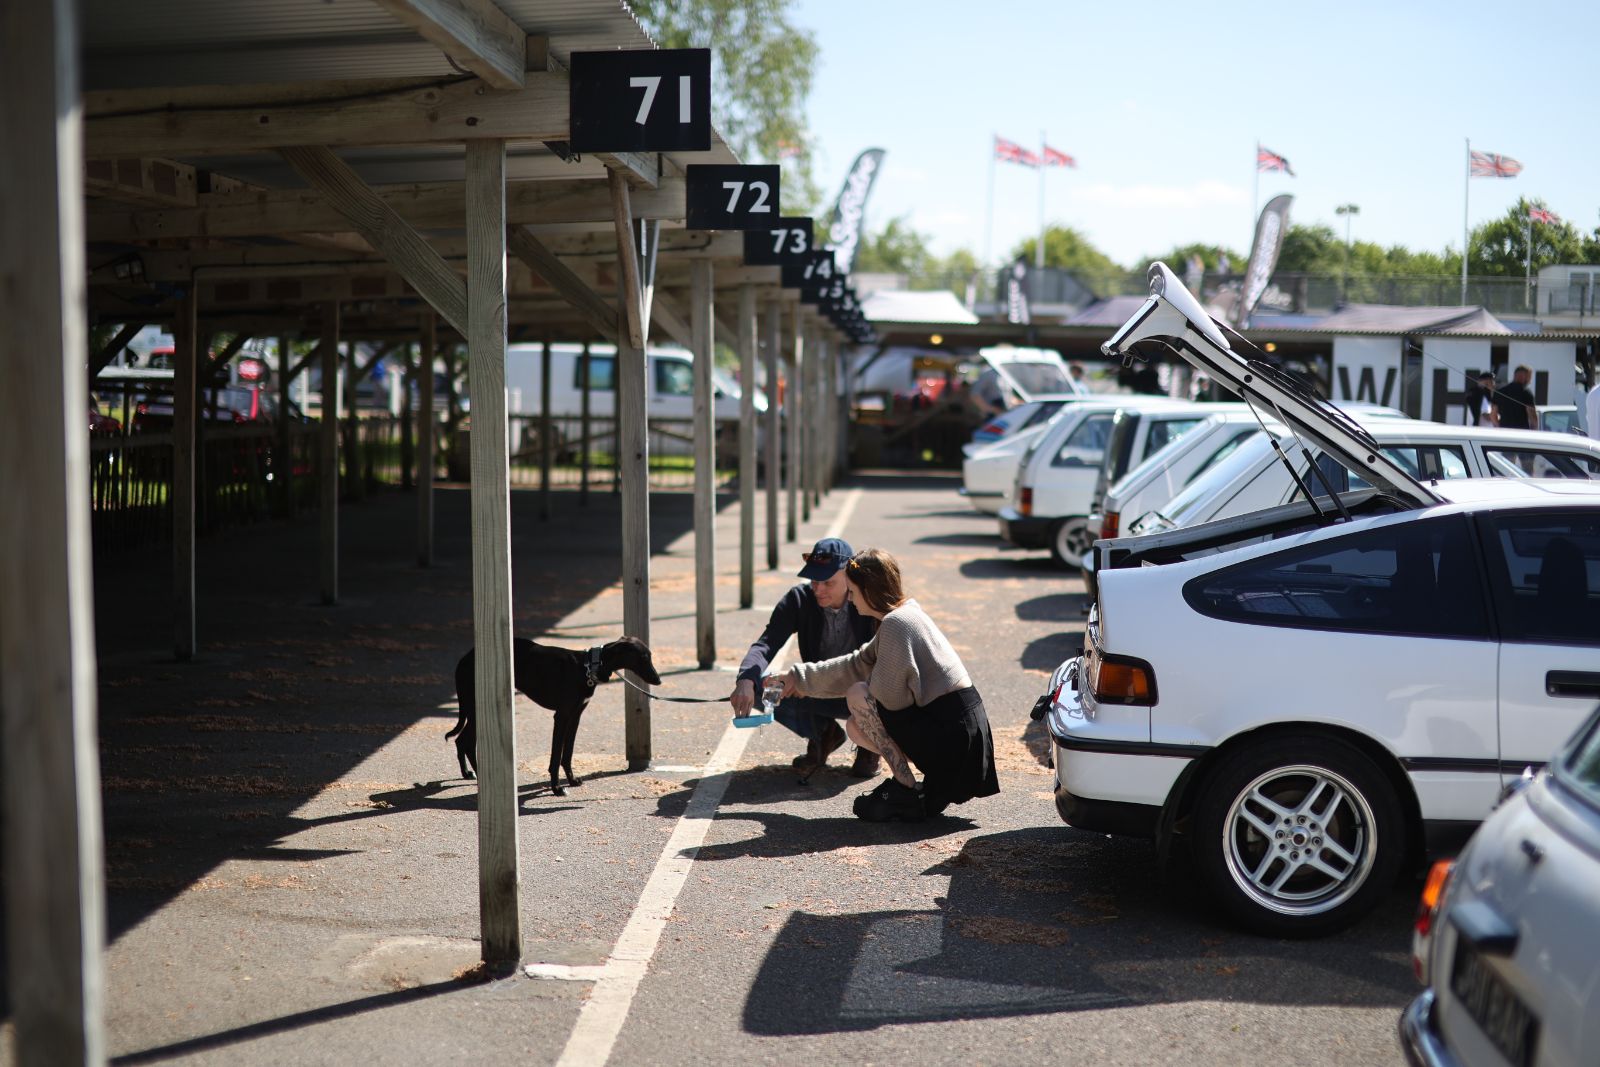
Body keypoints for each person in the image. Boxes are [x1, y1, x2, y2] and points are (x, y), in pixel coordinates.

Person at [780, 548, 1000, 822]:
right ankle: (910, 789)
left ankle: (906, 788)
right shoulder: (903, 613)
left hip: (955, 739)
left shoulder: (897, 623)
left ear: (868, 590)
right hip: (961, 733)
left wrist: (862, 682)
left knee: (858, 696)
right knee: (855, 722)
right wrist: (797, 679)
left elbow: (890, 700)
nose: (849, 598)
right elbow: (857, 664)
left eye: (852, 591)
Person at [731, 537, 879, 777]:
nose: (818, 589)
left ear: (849, 577)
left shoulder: (869, 602)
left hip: (862, 689)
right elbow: (766, 644)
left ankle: (871, 745)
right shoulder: (799, 600)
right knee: (760, 685)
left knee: (881, 689)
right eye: (814, 580)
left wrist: (805, 679)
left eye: (828, 582)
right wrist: (745, 681)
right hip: (817, 686)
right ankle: (823, 734)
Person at [1494, 365, 1537, 431]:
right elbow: (1532, 416)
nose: (1529, 381)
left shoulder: (1500, 391)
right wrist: (1534, 431)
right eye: (1529, 377)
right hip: (1521, 433)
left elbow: (1493, 414)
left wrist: (1499, 427)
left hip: (1504, 432)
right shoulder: (1526, 393)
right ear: (1522, 376)